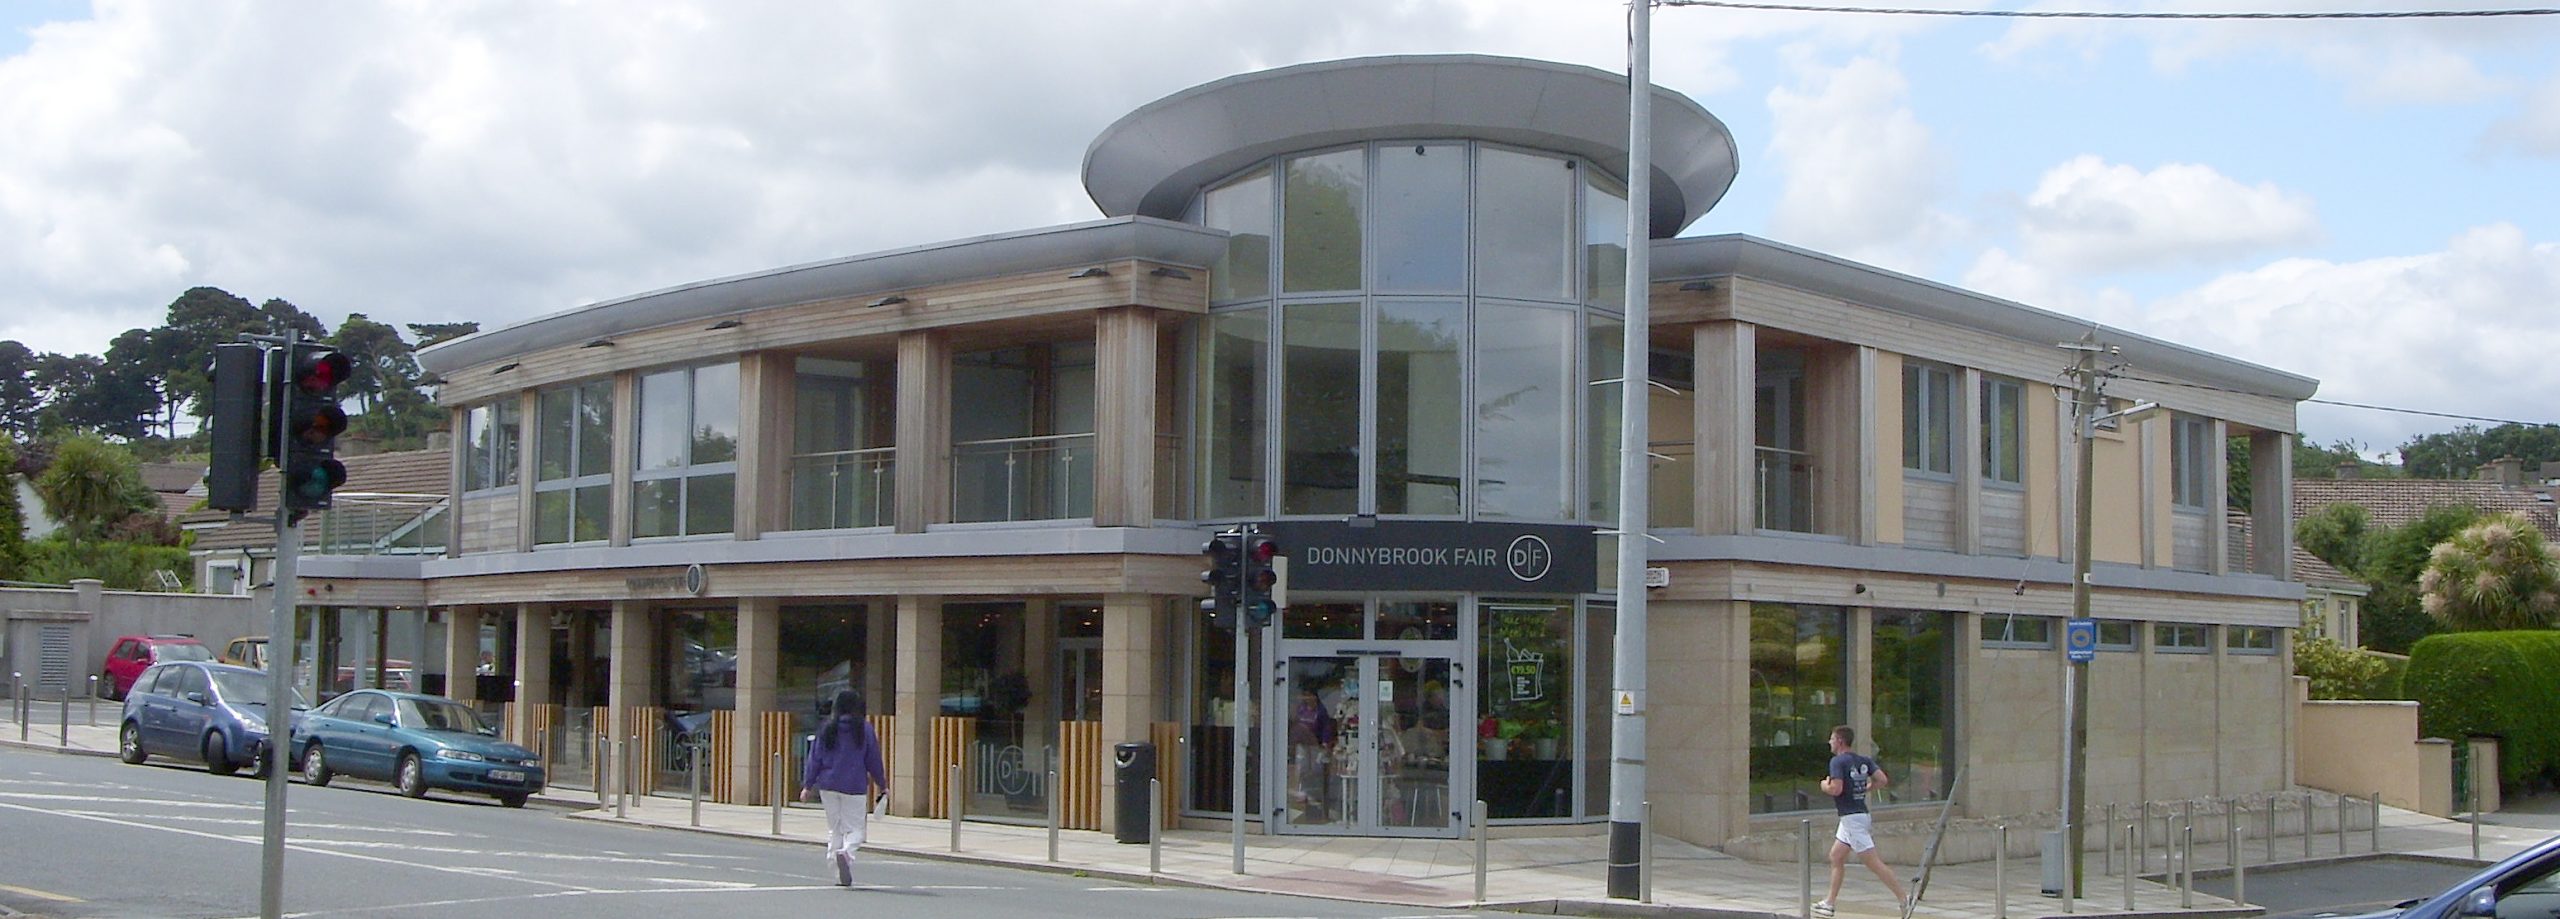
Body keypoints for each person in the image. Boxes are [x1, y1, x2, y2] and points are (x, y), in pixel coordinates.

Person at [1815, 724, 1909, 917]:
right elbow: (1882, 780)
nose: (1829, 742)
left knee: (1873, 862)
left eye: (1832, 739)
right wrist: (1866, 788)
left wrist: (1824, 785)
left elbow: (1836, 789)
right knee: (1836, 856)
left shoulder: (1837, 762)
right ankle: (1829, 902)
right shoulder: (1863, 760)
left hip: (1851, 819)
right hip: (1858, 815)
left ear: (1840, 741)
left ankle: (1904, 898)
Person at [800, 688, 888, 887]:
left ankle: (838, 872)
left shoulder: (826, 729)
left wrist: (808, 785)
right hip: (854, 785)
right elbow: (873, 759)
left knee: (835, 829)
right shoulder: (864, 729)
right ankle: (847, 854)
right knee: (856, 829)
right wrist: (882, 784)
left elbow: (815, 759)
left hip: (828, 785)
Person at [1288, 685, 1336, 821]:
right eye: (1305, 695)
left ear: (1315, 697)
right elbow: (1295, 724)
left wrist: (1325, 744)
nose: (1306, 698)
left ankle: (1317, 801)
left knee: (1316, 772)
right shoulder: (1301, 709)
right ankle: (1302, 794)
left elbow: (1326, 728)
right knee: (1302, 770)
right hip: (1302, 746)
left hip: (1316, 747)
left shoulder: (1321, 711)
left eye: (1309, 695)